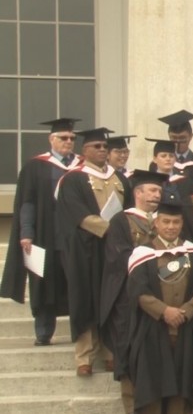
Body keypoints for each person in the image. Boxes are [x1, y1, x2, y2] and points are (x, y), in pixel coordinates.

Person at [57, 127, 130, 376]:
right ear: (84, 150)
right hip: (87, 250)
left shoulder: (120, 179)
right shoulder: (73, 179)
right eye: (96, 146)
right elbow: (77, 213)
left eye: (104, 147)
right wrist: (111, 229)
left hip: (115, 251)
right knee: (86, 299)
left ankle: (111, 352)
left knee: (112, 299)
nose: (101, 150)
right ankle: (84, 356)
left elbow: (130, 209)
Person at [1, 118, 80, 347]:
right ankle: (44, 332)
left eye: (72, 138)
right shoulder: (35, 166)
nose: (68, 142)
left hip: (74, 238)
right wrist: (26, 233)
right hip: (46, 236)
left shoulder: (81, 166)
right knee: (43, 284)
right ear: (51, 139)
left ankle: (80, 333)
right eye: (63, 138)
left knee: (76, 285)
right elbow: (27, 203)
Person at [127, 201, 193, 414]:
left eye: (176, 222)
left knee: (181, 388)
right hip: (153, 329)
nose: (171, 226)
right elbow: (138, 291)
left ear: (182, 224)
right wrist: (165, 311)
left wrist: (185, 312)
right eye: (166, 221)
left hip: (186, 329)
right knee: (152, 385)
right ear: (156, 223)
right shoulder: (143, 253)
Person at [101, 170, 167, 413]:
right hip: (128, 300)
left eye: (159, 191)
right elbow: (119, 259)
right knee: (131, 355)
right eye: (152, 190)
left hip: (162, 297)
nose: (156, 195)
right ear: (137, 193)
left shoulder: (167, 220)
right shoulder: (121, 221)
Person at [146, 138, 193, 203]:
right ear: (155, 159)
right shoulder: (148, 181)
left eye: (171, 156)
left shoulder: (185, 181)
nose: (168, 159)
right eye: (163, 156)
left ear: (175, 159)